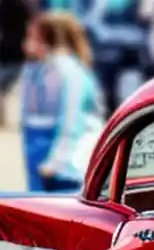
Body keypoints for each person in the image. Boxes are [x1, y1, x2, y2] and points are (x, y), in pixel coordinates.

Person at [18, 13, 103, 193]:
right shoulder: (38, 67)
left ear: (48, 40)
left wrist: (57, 160)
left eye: (32, 37)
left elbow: (72, 118)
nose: (25, 44)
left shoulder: (68, 70)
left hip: (66, 160)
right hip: (39, 147)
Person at [0, 0, 38, 128]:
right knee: (26, 85)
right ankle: (25, 116)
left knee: (0, 87)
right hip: (21, 46)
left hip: (4, 46)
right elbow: (31, 23)